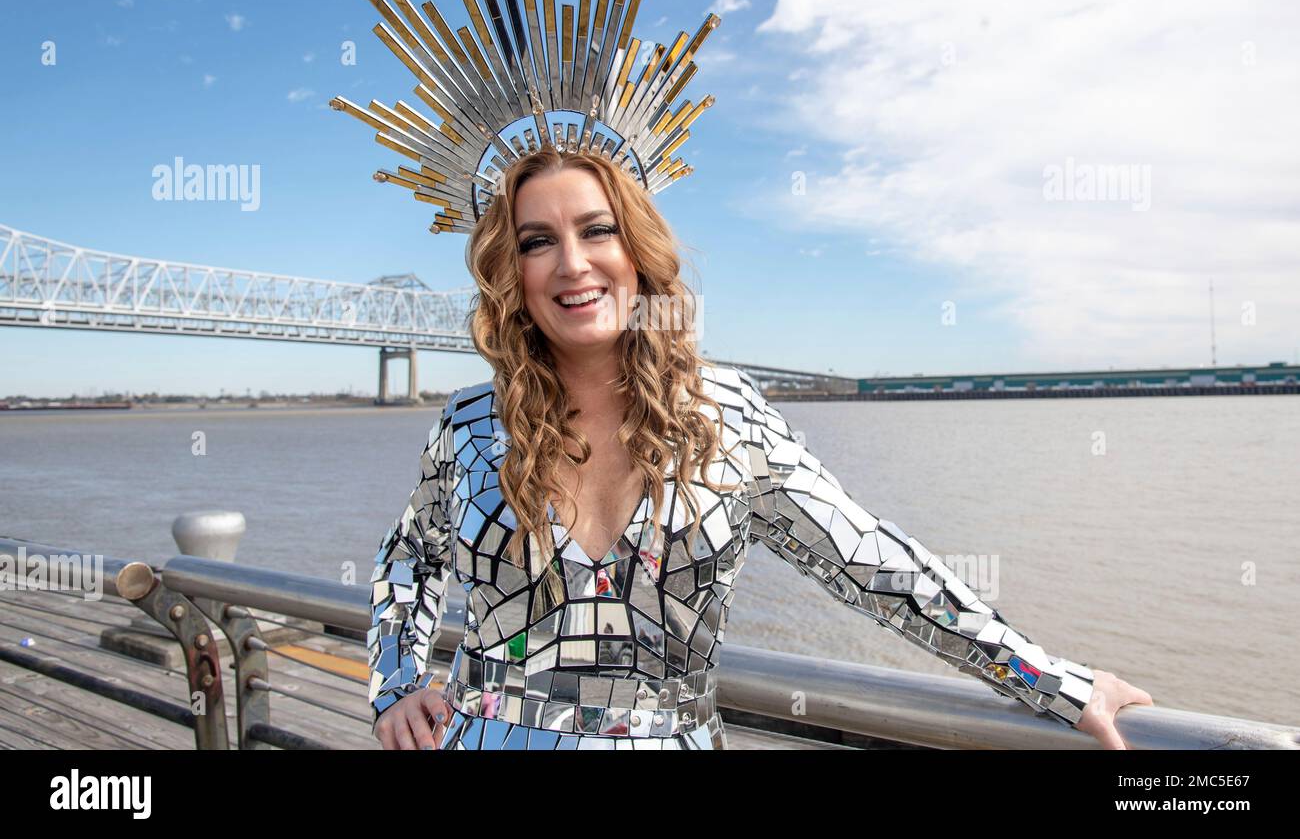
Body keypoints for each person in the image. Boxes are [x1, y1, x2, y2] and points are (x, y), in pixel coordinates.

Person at [366, 144, 1153, 750]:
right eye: (538, 241)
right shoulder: (472, 424)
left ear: (636, 251)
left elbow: (868, 563)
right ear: (514, 274)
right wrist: (396, 684)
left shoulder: (724, 416)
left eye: (596, 229)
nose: (573, 263)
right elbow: (411, 555)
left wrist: (1046, 679)